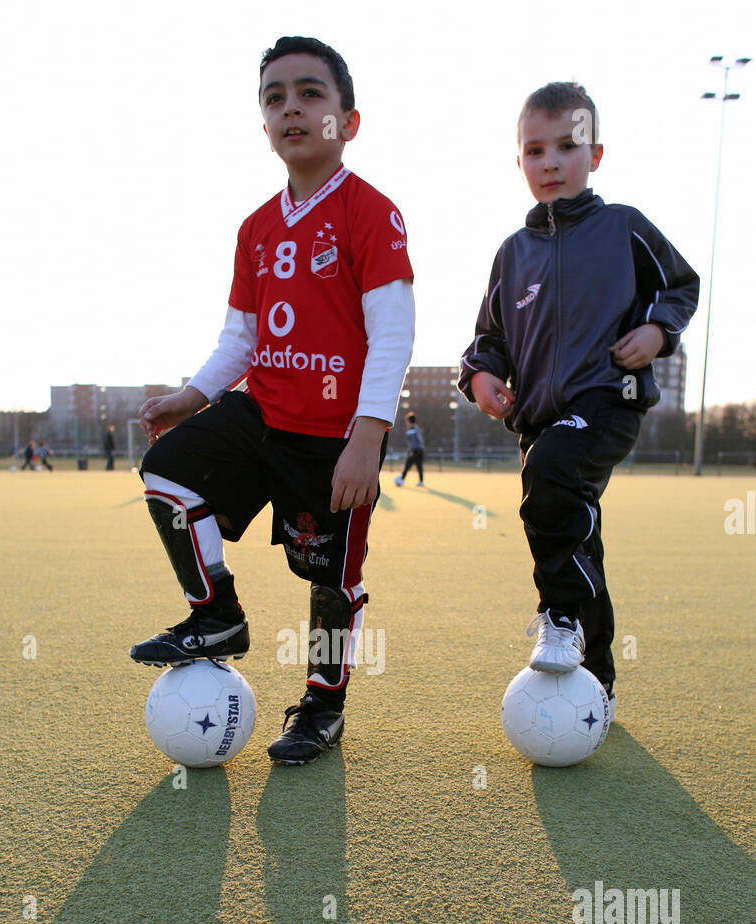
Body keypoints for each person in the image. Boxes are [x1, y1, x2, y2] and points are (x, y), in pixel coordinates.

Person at [132, 35, 415, 764]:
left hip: (331, 437)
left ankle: (323, 706)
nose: (291, 107)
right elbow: (242, 336)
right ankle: (216, 615)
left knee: (332, 581)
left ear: (348, 121)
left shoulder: (371, 214)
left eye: (310, 93)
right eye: (274, 96)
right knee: (168, 467)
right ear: (263, 124)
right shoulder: (255, 229)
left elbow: (393, 334)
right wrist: (194, 396)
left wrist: (367, 437)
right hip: (262, 410)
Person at [458, 81, 698, 717]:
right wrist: (482, 382)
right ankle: (599, 683)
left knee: (554, 473)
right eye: (535, 151)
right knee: (574, 533)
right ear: (519, 163)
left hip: (608, 397)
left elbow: (680, 286)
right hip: (540, 420)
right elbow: (487, 341)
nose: (551, 162)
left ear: (595, 154)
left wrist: (656, 330)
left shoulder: (623, 227)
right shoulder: (513, 253)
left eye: (568, 146)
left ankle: (558, 613)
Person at [394, 411, 425, 486]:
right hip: (420, 450)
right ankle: (421, 482)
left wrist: (412, 451)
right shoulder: (417, 429)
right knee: (418, 465)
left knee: (408, 465)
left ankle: (401, 479)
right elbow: (421, 440)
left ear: (408, 421)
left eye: (407, 421)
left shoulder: (411, 430)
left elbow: (413, 442)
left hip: (415, 450)